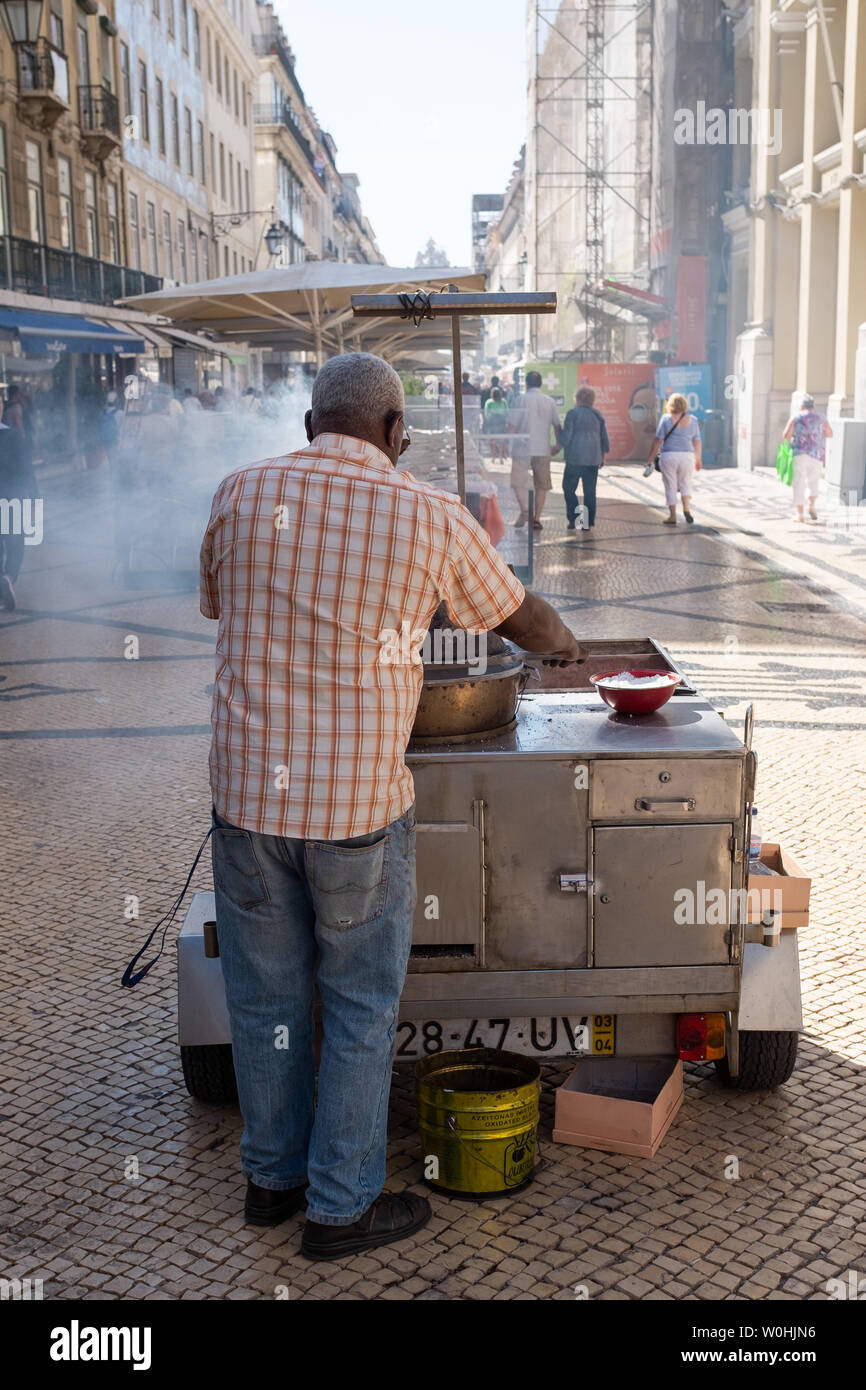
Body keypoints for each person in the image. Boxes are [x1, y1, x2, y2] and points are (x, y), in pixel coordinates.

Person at [199, 351, 584, 1259]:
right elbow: (514, 615)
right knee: (362, 1006)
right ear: (395, 432)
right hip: (358, 811)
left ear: (309, 425)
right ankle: (339, 1209)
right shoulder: (428, 512)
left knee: (266, 1001)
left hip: (250, 803)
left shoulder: (239, 491)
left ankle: (272, 1184)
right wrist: (563, 643)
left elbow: (217, 603)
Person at [510, 369, 561, 530]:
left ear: (526, 383)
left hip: (522, 448)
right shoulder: (550, 401)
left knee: (518, 482)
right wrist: (558, 445)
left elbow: (511, 426)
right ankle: (537, 518)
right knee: (542, 485)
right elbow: (557, 426)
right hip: (543, 448)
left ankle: (525, 509)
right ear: (541, 383)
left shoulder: (520, 400)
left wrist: (507, 444)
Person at [0, 394, 37, 610]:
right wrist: (34, 499)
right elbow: (27, 470)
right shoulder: (14, 437)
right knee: (16, 543)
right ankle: (10, 577)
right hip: (13, 497)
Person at [561, 386, 610, 534]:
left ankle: (574, 519)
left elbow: (566, 437)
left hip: (575, 458)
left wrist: (559, 445)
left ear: (580, 398)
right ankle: (587, 522)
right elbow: (604, 438)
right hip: (593, 458)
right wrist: (603, 456)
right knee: (590, 491)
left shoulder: (572, 414)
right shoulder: (598, 415)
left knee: (568, 488)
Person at [647, 392, 702, 525]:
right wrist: (698, 459)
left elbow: (658, 440)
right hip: (687, 456)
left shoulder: (666, 419)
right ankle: (686, 509)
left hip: (669, 456)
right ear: (684, 404)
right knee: (685, 483)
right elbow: (697, 441)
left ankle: (672, 516)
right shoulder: (693, 420)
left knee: (670, 485)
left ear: (670, 405)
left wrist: (650, 457)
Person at [783, 393, 832, 522]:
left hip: (800, 454)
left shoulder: (797, 417)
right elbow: (830, 433)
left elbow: (786, 435)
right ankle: (812, 506)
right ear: (813, 406)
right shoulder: (822, 417)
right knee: (813, 481)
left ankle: (800, 515)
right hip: (817, 454)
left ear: (801, 406)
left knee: (799, 482)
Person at [482, 386, 509, 460]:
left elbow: (486, 412)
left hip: (492, 422)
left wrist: (488, 420)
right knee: (501, 440)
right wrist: (506, 421)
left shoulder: (489, 402)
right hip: (501, 422)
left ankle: (493, 456)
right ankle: (501, 456)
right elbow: (507, 412)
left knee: (493, 439)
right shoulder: (503, 402)